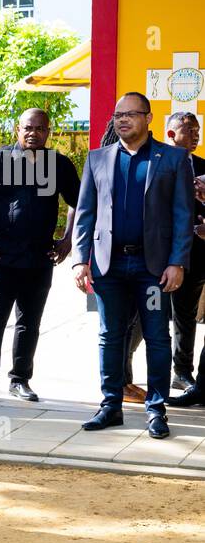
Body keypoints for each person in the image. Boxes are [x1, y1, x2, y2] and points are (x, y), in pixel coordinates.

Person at [74, 92, 194, 438]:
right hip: (109, 267)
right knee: (109, 336)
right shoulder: (97, 159)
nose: (122, 120)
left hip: (152, 268)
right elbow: (85, 214)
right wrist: (81, 260)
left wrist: (177, 262)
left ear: (148, 118)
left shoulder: (172, 159)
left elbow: (182, 216)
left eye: (130, 114)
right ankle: (111, 405)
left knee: (157, 336)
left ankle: (156, 409)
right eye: (117, 115)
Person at [0, 109, 80, 402]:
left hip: (40, 257)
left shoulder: (59, 165)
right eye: (27, 128)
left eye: (39, 128)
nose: (33, 133)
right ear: (17, 129)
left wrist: (67, 239)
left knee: (29, 322)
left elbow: (78, 202)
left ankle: (20, 380)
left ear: (48, 132)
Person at [162, 111, 205, 394]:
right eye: (189, 129)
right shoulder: (158, 163)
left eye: (198, 130)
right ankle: (125, 373)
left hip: (198, 253)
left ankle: (182, 372)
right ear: (171, 134)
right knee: (144, 319)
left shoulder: (203, 165)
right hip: (163, 254)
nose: (195, 135)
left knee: (186, 315)